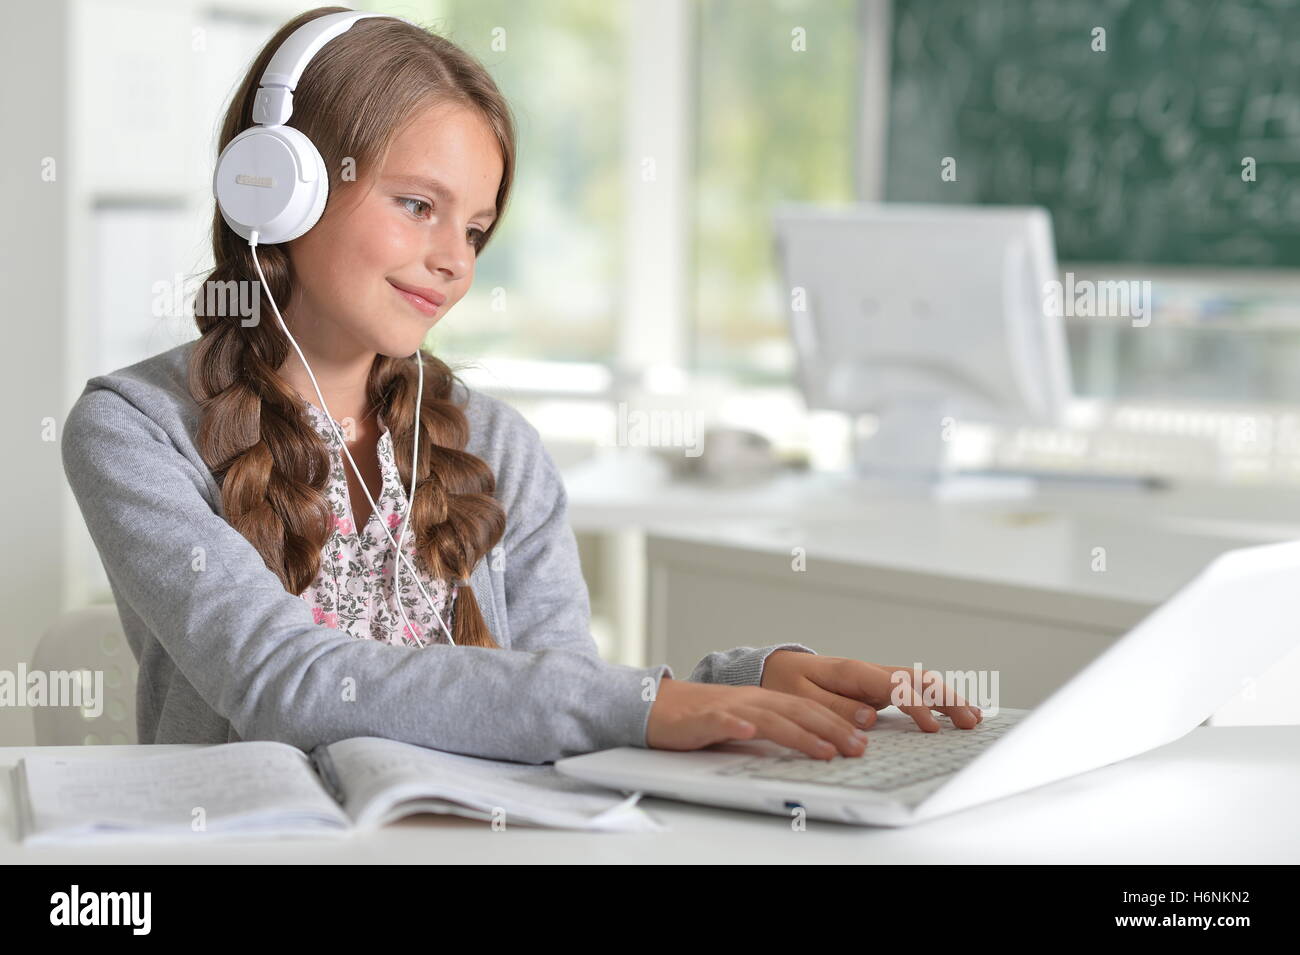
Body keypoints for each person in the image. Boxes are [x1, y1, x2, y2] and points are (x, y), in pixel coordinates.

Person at [61, 7, 979, 766]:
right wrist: (652, 702)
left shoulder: (497, 446)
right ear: (277, 190)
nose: (451, 262)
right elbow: (281, 681)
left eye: (476, 229)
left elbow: (562, 695)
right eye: (418, 205)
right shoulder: (134, 430)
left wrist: (742, 682)